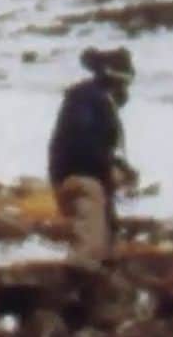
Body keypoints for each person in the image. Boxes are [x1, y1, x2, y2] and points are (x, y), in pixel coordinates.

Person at [47, 46, 138, 262]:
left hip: (80, 176)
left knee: (101, 240)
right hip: (83, 178)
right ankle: (80, 285)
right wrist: (111, 167)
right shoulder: (90, 100)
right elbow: (83, 145)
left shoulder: (87, 99)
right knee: (90, 249)